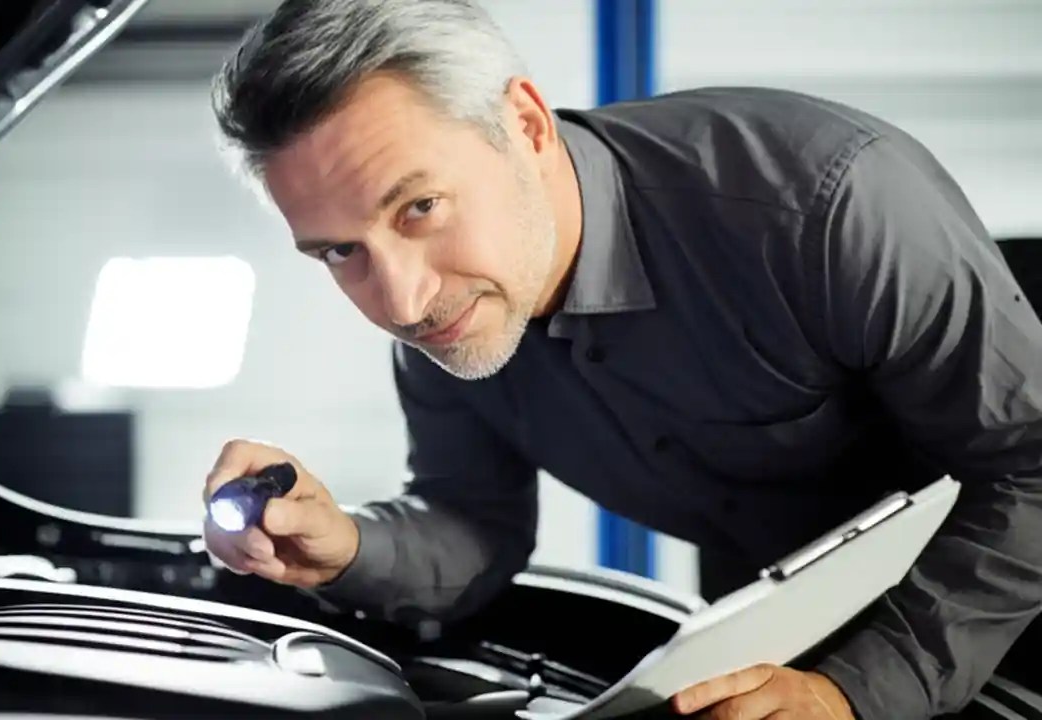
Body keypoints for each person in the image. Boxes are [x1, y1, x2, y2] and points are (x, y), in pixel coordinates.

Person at [199, 1, 1042, 718]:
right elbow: (471, 528)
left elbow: (1034, 469)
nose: (403, 302)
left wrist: (855, 693)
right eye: (340, 252)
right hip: (788, 649)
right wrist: (343, 543)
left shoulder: (824, 207)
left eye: (420, 207)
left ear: (523, 124)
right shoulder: (443, 322)